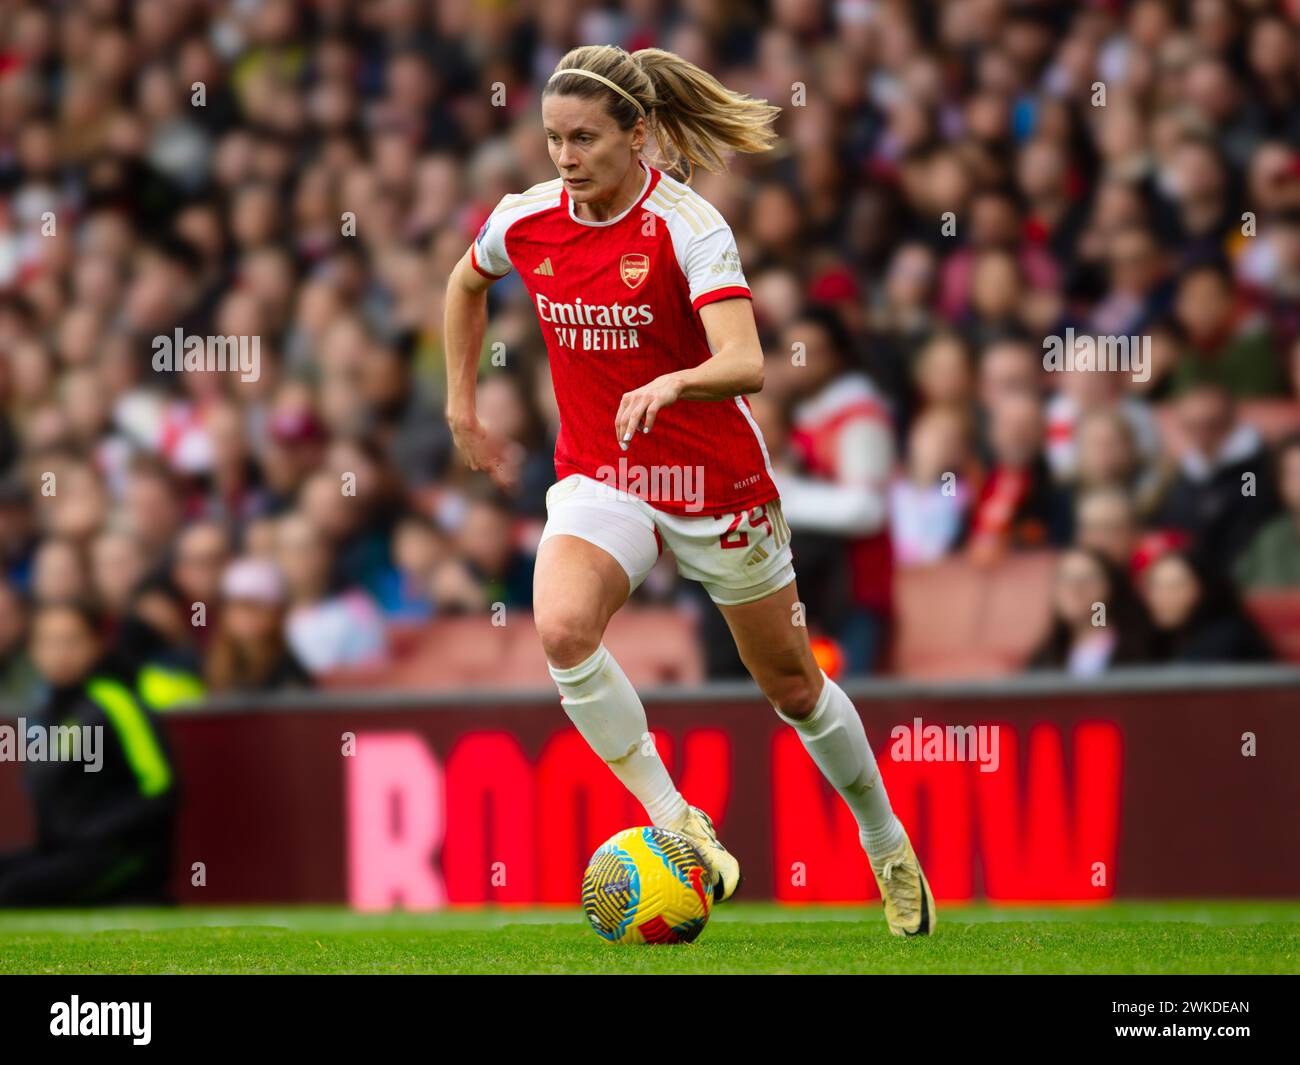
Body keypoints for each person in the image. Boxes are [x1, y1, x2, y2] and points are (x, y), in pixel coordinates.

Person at [443, 45, 933, 935]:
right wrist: (461, 406)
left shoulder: (688, 225)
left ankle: (885, 840)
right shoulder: (527, 220)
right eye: (553, 138)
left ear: (638, 135)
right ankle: (678, 820)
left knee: (790, 684)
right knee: (559, 626)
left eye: (584, 138)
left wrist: (676, 381)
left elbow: (745, 360)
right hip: (604, 471)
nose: (565, 157)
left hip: (715, 482)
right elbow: (464, 282)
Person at [0, 600, 178, 906]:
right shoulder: (42, 715)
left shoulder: (115, 702)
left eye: (71, 641)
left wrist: (94, 833)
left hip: (120, 856)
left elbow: (161, 788)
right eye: (49, 642)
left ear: (96, 645)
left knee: (11, 892)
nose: (60, 653)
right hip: (59, 853)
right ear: (32, 650)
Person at [1028, 547, 1153, 675]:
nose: (1074, 589)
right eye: (1064, 580)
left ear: (1110, 588)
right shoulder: (1046, 656)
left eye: (1087, 580)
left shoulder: (1140, 647)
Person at [1142, 550, 1274, 663]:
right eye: (1155, 587)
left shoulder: (1223, 641)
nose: (1161, 597)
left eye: (1175, 587)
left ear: (1203, 590)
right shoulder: (1161, 639)